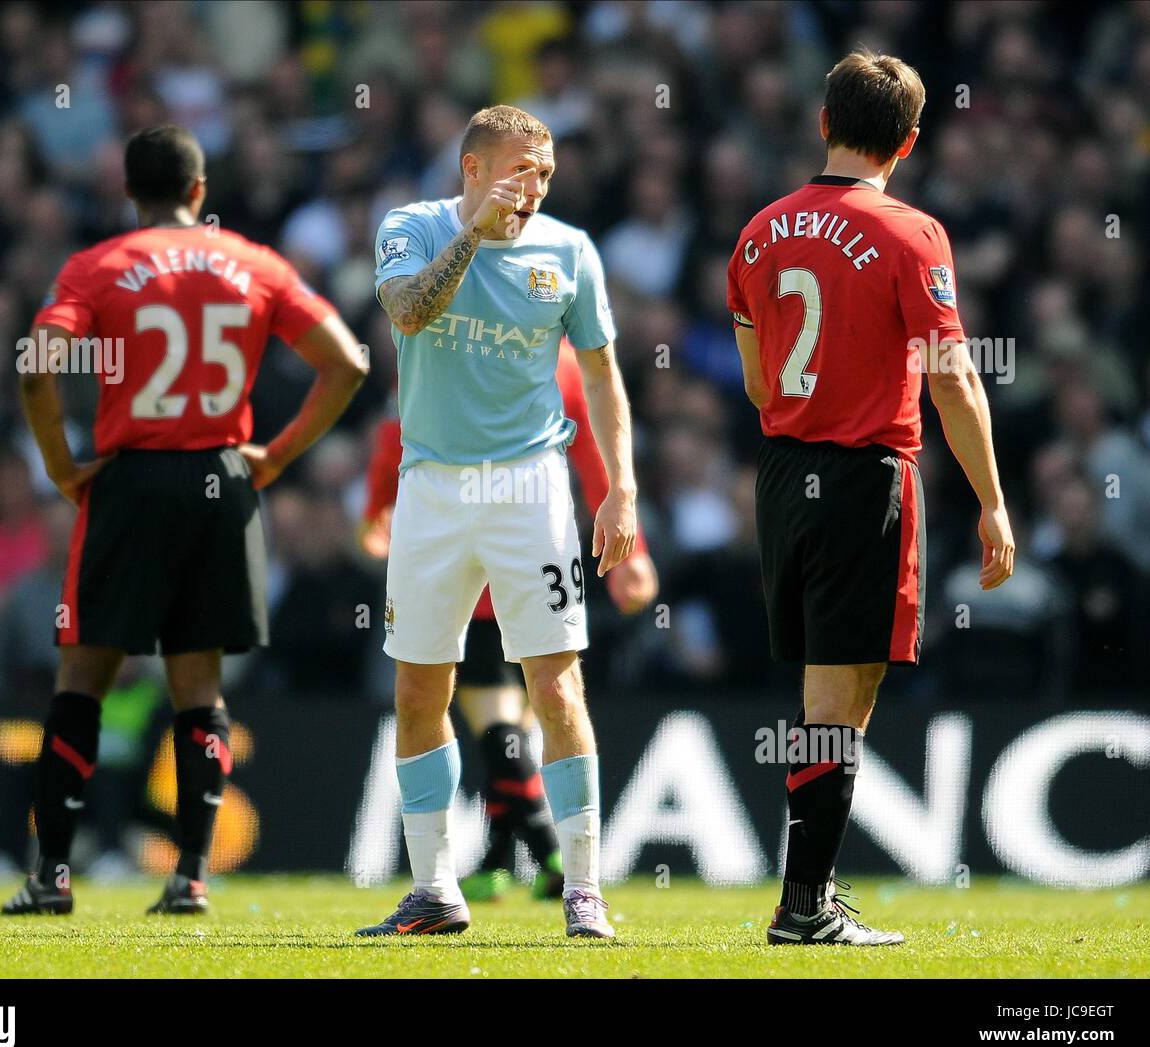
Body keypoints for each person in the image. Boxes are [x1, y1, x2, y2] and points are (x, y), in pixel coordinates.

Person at [2, 124, 366, 916]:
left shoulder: (98, 267)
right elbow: (350, 361)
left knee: (83, 680)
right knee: (197, 689)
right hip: (220, 481)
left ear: (130, 194)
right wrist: (276, 455)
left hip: (128, 484)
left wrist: (62, 466)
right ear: (200, 193)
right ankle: (191, 875)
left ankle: (52, 875)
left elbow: (37, 365)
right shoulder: (257, 263)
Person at [726, 51, 1015, 945]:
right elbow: (954, 376)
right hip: (865, 477)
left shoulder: (759, 230)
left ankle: (809, 897)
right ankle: (805, 907)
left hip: (782, 476)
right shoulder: (912, 233)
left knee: (831, 692)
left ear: (824, 124)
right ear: (912, 140)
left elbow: (758, 385)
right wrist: (994, 501)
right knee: (841, 695)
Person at [357, 105, 638, 939]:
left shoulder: (571, 251)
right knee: (419, 686)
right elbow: (408, 313)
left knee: (554, 682)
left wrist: (621, 487)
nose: (535, 189)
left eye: (545, 174)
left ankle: (584, 886)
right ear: (472, 168)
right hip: (432, 488)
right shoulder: (410, 226)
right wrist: (474, 236)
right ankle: (436, 888)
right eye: (520, 171)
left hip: (531, 487)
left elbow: (604, 373)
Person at [359, 341, 658, 902]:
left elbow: (394, 433)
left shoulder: (437, 338)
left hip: (465, 568)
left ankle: (547, 848)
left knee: (497, 723)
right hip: (533, 550)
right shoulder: (560, 351)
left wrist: (377, 505)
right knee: (520, 720)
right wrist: (633, 548)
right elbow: (594, 452)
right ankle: (505, 859)